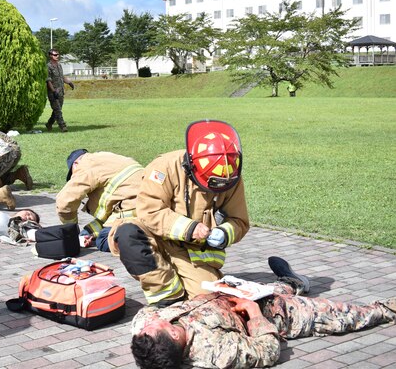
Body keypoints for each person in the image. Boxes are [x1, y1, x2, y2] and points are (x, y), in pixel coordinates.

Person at [130, 257, 396, 369]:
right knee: (344, 315)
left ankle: (293, 282)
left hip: (236, 292)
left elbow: (146, 314)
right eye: (158, 324)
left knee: (278, 287)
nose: (152, 319)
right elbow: (267, 353)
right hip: (276, 313)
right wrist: (255, 314)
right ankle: (387, 309)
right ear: (176, 334)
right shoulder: (218, 353)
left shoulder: (145, 335)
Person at [107, 120, 250, 307]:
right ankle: (168, 296)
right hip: (155, 236)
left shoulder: (229, 175)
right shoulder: (164, 167)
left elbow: (239, 220)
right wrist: (190, 228)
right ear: (192, 165)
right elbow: (150, 210)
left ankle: (183, 284)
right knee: (128, 234)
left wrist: (224, 233)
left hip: (193, 253)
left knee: (210, 302)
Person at [56, 149, 143, 249]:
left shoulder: (85, 165)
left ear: (75, 164)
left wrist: (71, 229)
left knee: (103, 240)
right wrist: (88, 232)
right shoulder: (106, 158)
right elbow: (109, 214)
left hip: (134, 209)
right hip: (147, 205)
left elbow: (64, 202)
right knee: (88, 233)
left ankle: (149, 241)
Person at [45, 48, 74, 132]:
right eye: (55, 55)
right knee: (57, 110)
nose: (57, 56)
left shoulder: (59, 65)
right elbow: (48, 80)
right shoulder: (48, 66)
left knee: (57, 110)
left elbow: (62, 77)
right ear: (50, 56)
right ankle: (63, 126)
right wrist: (53, 91)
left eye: (58, 54)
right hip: (53, 92)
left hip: (61, 91)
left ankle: (49, 123)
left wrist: (69, 82)